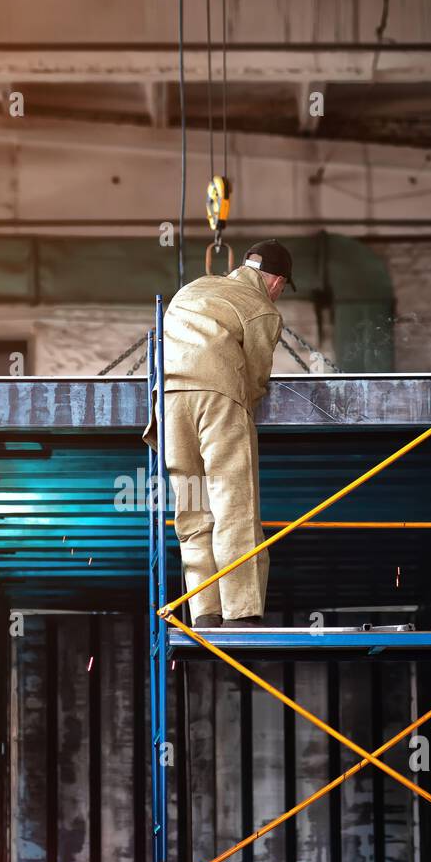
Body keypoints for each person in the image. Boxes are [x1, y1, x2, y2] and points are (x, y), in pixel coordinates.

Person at [144, 239, 294, 628]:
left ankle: (205, 611)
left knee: (193, 510)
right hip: (219, 400)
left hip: (169, 404)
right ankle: (242, 612)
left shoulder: (192, 288)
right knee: (234, 504)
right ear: (277, 281)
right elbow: (257, 378)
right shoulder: (262, 308)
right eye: (281, 288)